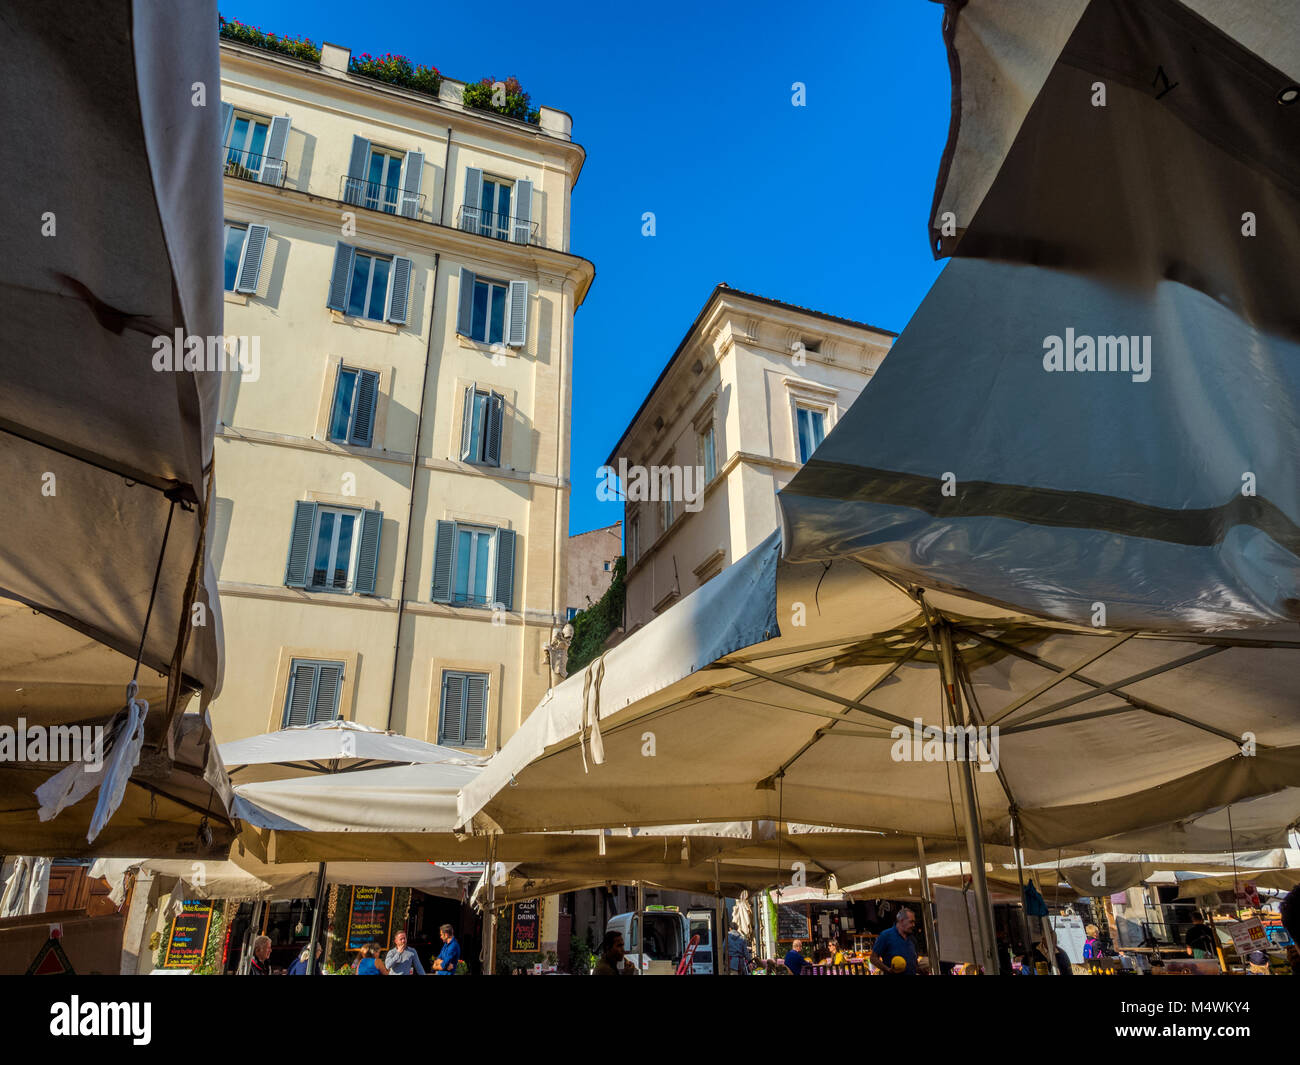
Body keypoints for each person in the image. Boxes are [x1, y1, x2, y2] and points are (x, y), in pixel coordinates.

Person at [870, 907, 919, 975]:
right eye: (911, 922)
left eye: (914, 922)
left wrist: (920, 970)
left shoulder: (912, 938)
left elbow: (914, 962)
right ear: (901, 921)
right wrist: (887, 969)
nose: (914, 925)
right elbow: (873, 958)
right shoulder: (886, 936)